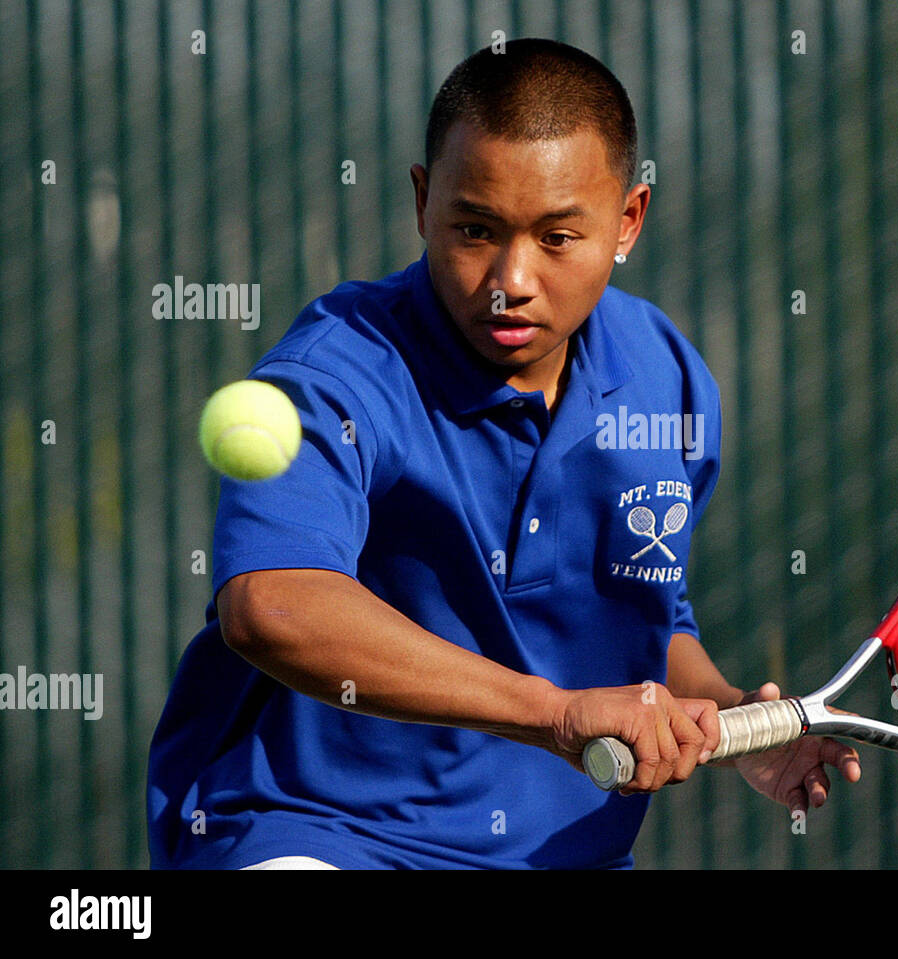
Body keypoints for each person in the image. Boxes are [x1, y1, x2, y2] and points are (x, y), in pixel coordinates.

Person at [147, 37, 860, 870]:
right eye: (476, 228)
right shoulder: (334, 375)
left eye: (557, 237)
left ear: (628, 220)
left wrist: (733, 720)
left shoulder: (668, 380)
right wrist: (555, 713)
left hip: (562, 854)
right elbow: (272, 604)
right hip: (314, 833)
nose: (510, 277)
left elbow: (637, 615)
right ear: (423, 202)